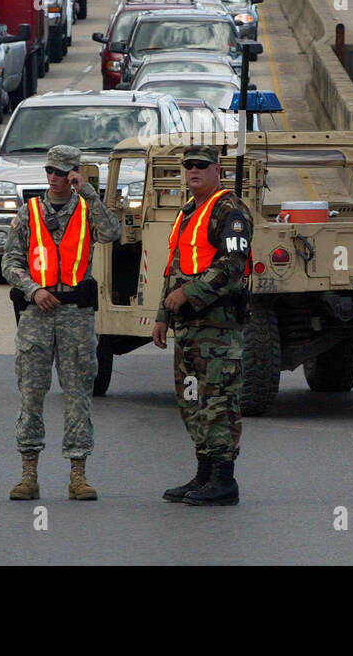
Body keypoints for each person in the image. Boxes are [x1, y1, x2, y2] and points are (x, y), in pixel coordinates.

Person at [1, 145, 123, 500]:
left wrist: (87, 190)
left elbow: (113, 232)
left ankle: (78, 475)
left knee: (78, 396)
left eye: (62, 172)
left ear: (73, 174)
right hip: (38, 314)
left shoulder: (86, 209)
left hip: (75, 316)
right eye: (50, 171)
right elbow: (10, 262)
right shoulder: (30, 213)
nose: (54, 179)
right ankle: (29, 475)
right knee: (31, 395)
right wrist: (33, 289)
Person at [151, 144, 253, 506]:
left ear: (216, 170)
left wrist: (189, 294)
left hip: (217, 329)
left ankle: (225, 480)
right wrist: (163, 315)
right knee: (192, 402)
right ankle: (204, 473)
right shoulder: (188, 211)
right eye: (189, 166)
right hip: (188, 328)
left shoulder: (230, 210)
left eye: (201, 166)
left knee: (219, 402)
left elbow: (232, 265)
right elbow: (173, 268)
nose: (193, 171)